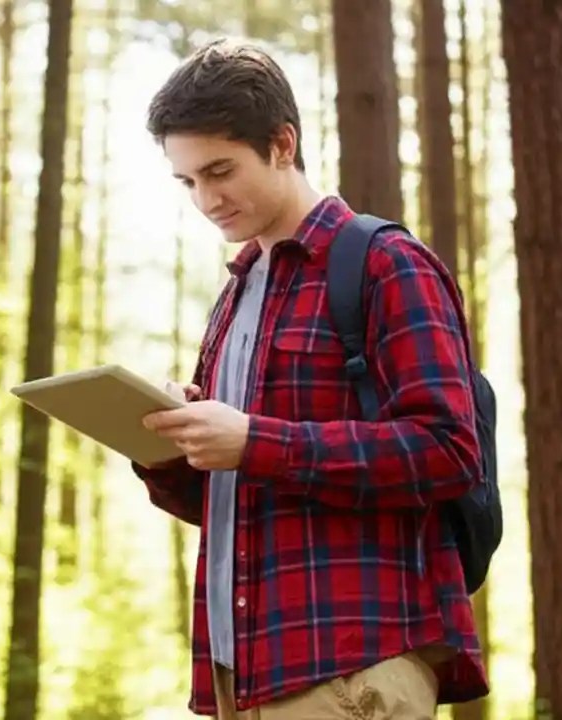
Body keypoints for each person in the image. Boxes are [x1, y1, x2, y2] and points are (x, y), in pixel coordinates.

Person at [131, 38, 489, 719]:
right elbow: (232, 501)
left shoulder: (385, 264)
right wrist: (169, 445)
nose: (206, 199)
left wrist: (256, 441)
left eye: (220, 171)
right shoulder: (237, 295)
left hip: (351, 666)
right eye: (188, 182)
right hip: (244, 673)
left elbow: (449, 452)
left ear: (283, 143)